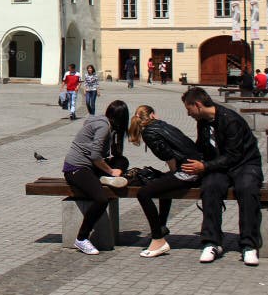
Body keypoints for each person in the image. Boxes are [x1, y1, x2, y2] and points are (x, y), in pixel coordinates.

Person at [181, 87, 263, 266]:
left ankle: (249, 244)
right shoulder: (203, 121)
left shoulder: (230, 120)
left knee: (247, 189)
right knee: (210, 187)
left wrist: (204, 166)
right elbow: (202, 146)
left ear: (198, 105)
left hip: (245, 163)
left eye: (189, 109)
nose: (188, 114)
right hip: (220, 165)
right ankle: (212, 242)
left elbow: (234, 155)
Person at [128, 105, 201, 258]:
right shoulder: (162, 124)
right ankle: (161, 226)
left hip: (188, 172)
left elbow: (169, 157)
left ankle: (158, 239)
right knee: (162, 184)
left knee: (143, 193)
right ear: (153, 115)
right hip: (195, 166)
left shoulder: (149, 133)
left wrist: (174, 174)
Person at [62, 100, 130, 254]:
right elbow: (95, 156)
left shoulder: (105, 124)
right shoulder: (103, 127)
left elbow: (109, 155)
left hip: (90, 167)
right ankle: (81, 238)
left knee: (122, 161)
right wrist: (112, 171)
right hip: (76, 169)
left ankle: (105, 178)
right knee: (101, 199)